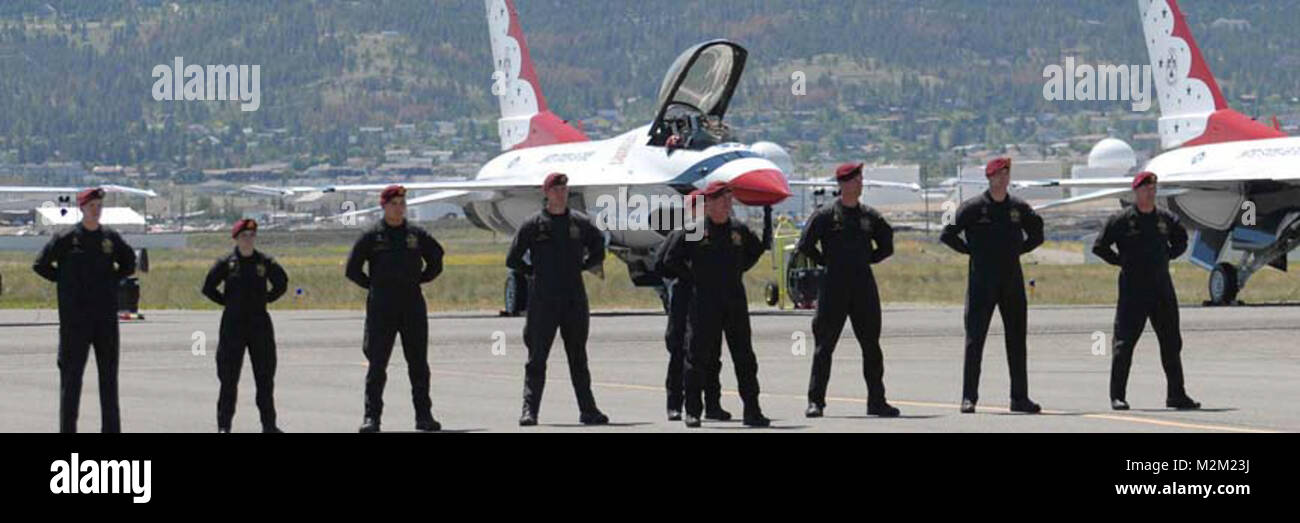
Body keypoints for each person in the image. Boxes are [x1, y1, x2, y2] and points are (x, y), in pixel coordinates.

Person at [662, 181, 770, 428]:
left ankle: (752, 410)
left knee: (744, 357)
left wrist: (738, 270)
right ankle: (692, 410)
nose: (726, 204)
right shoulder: (696, 231)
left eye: (729, 199)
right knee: (697, 357)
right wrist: (693, 277)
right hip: (703, 302)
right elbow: (670, 260)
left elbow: (754, 251)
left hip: (733, 301)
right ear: (708, 204)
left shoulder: (738, 231)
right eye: (721, 199)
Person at [940, 158, 1044, 414]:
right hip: (981, 282)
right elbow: (947, 234)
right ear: (989, 177)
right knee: (975, 340)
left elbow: (1037, 233)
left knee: (1017, 340)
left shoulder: (1018, 208)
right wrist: (970, 251)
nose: (1003, 178)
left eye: (1007, 174)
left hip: (1011, 280)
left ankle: (1020, 397)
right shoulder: (973, 208)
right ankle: (969, 397)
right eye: (998, 174)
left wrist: (1019, 249)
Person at [506, 173, 610, 426]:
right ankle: (530, 411)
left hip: (574, 296)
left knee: (578, 357)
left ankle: (588, 410)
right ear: (547, 193)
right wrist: (533, 273)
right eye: (556, 189)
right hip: (543, 298)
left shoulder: (580, 223)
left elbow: (599, 247)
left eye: (564, 188)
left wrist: (585, 265)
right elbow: (513, 258)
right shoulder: (533, 224)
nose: (561, 193)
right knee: (537, 358)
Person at [1091, 171, 1200, 411]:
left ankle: (1176, 394)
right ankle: (1117, 395)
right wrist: (1121, 262)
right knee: (1124, 343)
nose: (1150, 192)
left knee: (1171, 342)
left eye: (1153, 188)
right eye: (1146, 188)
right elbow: (1100, 246)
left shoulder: (1165, 219)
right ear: (1136, 192)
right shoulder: (1121, 220)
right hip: (1133, 289)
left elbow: (1181, 240)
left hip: (1161, 288)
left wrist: (1166, 256)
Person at [799, 163, 900, 418]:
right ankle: (816, 401)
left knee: (871, 346)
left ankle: (877, 401)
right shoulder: (825, 215)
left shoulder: (869, 216)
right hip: (834, 284)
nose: (860, 184)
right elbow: (806, 245)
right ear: (843, 184)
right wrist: (825, 262)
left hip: (862, 284)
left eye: (860, 180)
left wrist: (871, 258)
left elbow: (887, 243)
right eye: (855, 180)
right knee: (824, 346)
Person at [33, 187, 136, 433]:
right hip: (75, 321)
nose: (96, 211)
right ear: (82, 208)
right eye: (92, 207)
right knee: (71, 380)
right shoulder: (67, 238)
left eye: (99, 207)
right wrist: (65, 281)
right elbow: (40, 264)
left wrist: (112, 278)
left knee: (109, 381)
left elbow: (129, 263)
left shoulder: (110, 239)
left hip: (104, 320)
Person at [345, 185, 445, 433]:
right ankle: (372, 418)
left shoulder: (415, 234)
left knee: (418, 364)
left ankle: (424, 416)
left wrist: (421, 278)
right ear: (384, 206)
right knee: (377, 364)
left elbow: (436, 257)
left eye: (402, 203)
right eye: (394, 204)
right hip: (382, 306)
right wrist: (373, 286)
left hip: (411, 304)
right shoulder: (372, 236)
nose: (399, 208)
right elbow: (352, 268)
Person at [202, 219, 289, 432]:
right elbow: (208, 287)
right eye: (244, 236)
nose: (248, 240)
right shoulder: (227, 263)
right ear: (236, 238)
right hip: (233, 325)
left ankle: (269, 425)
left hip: (259, 324)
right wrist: (227, 302)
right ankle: (224, 426)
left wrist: (266, 298)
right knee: (229, 379)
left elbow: (281, 283)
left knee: (265, 377)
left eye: (251, 236)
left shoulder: (265, 262)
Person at [653, 189, 730, 422]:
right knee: (679, 351)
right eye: (696, 207)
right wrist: (687, 276)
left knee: (712, 353)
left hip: (708, 299)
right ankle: (675, 404)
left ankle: (713, 404)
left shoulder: (714, 233)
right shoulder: (682, 234)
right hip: (684, 298)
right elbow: (661, 263)